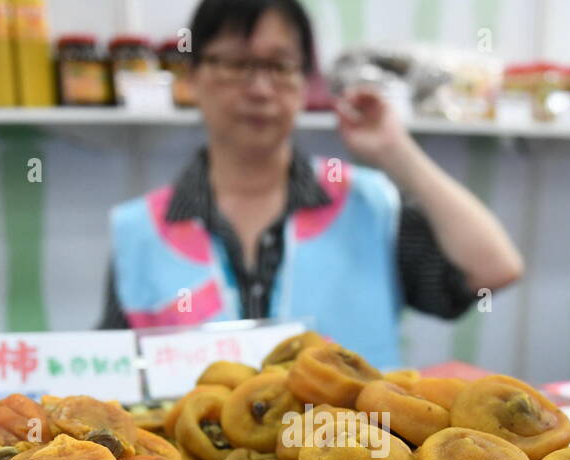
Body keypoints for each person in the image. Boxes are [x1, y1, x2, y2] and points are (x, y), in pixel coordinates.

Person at [100, 0, 523, 370]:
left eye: (281, 66)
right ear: (192, 77)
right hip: (187, 458)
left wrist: (397, 152)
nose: (261, 89)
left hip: (354, 457)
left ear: (306, 85)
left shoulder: (365, 204)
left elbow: (493, 270)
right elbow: (112, 372)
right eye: (235, 64)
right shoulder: (140, 229)